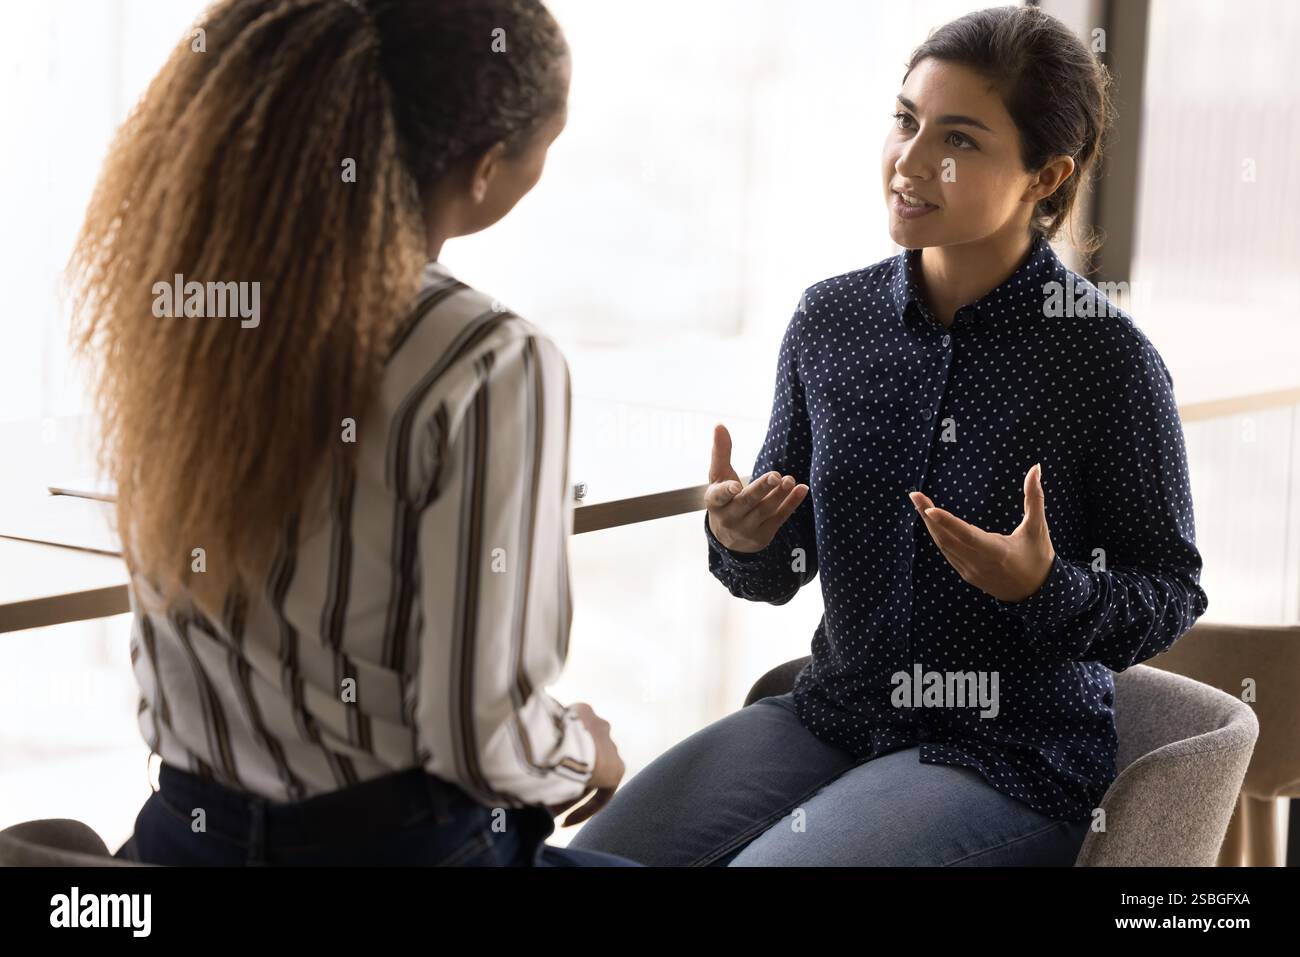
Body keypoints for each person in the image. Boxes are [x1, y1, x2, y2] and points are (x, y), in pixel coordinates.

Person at [569, 4, 1209, 866]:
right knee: (594, 856)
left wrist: (1044, 588)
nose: (909, 161)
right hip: (833, 715)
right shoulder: (831, 320)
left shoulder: (1108, 362)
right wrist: (741, 537)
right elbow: (778, 568)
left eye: (960, 139)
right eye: (905, 120)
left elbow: (1170, 592)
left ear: (1046, 175)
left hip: (1009, 753)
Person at [66, 0, 636, 866]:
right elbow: (478, 734)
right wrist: (581, 749)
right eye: (544, 150)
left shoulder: (180, 308)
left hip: (182, 840)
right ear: (483, 169)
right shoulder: (487, 359)